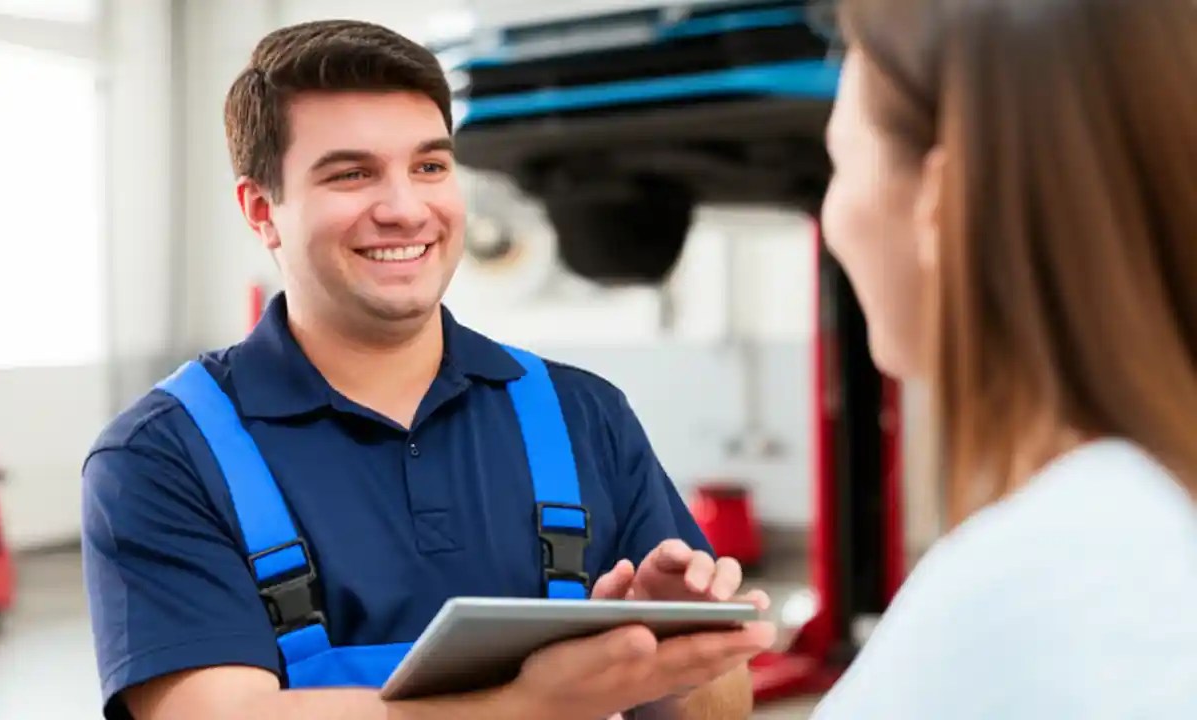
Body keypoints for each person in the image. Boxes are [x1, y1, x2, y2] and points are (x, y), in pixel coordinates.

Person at [80, 19, 774, 720]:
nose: (405, 209)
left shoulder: (582, 416)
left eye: (430, 167)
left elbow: (723, 704)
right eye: (351, 174)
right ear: (263, 211)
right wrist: (527, 704)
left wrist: (670, 654)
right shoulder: (162, 456)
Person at [811, 0, 1197, 717]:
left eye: (837, 163)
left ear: (943, 198)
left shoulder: (1054, 577)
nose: (831, 221)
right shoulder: (1142, 526)